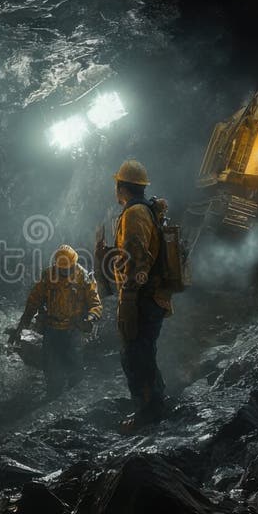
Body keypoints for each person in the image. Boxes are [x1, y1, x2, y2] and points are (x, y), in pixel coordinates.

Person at [97, 159, 173, 434]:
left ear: (121, 187)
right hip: (148, 295)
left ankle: (147, 416)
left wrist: (128, 297)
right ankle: (156, 405)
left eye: (116, 186)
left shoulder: (134, 214)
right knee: (144, 353)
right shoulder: (144, 211)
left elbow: (138, 257)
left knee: (134, 356)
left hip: (141, 298)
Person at [11, 245, 101, 397]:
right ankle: (54, 393)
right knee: (51, 364)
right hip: (52, 328)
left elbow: (95, 303)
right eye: (62, 269)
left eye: (68, 269)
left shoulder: (84, 277)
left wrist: (90, 318)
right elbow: (34, 300)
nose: (65, 272)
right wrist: (22, 324)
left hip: (73, 328)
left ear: (74, 264)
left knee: (75, 363)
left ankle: (74, 397)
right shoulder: (49, 276)